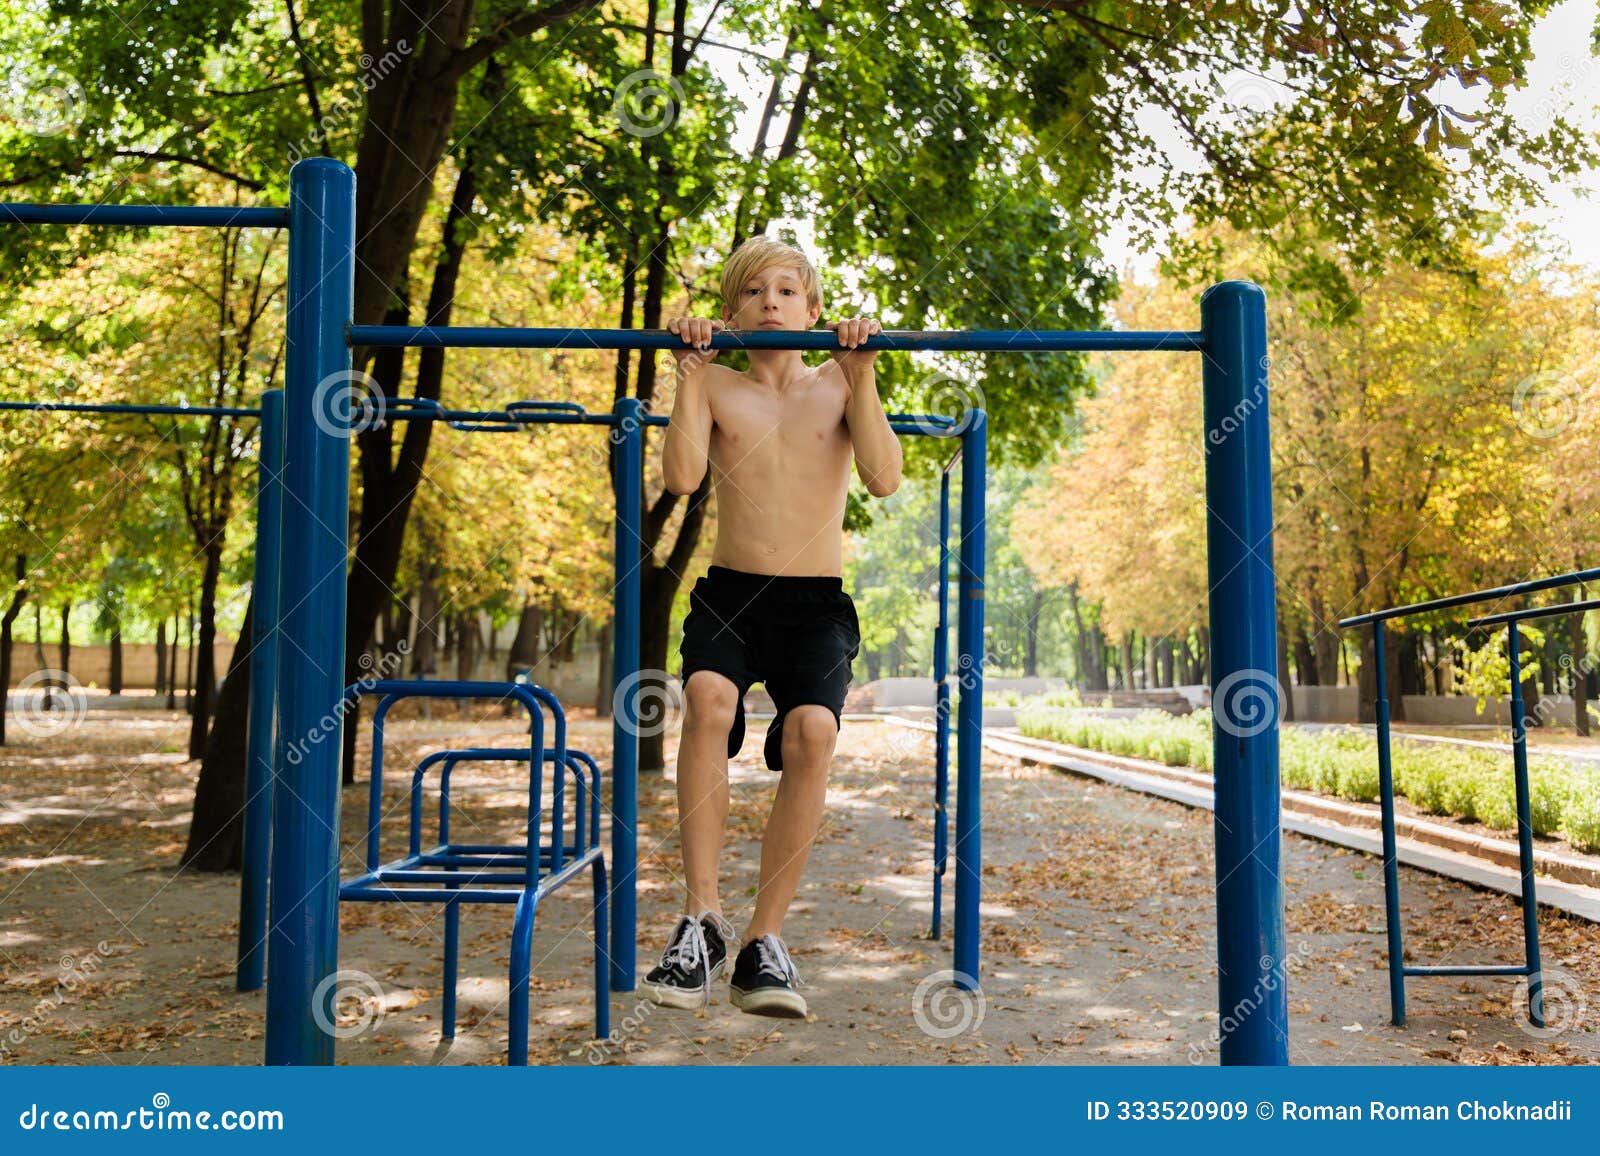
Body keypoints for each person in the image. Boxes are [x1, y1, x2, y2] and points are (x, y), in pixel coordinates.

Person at [641, 237, 903, 1018]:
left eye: (787, 290)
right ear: (731, 311)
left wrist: (864, 375)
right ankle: (701, 920)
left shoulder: (837, 384)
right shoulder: (718, 386)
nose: (771, 303)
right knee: (708, 698)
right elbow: (682, 478)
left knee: (814, 733)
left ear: (814, 310)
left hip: (814, 602)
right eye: (753, 292)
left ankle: (764, 940)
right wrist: (687, 378)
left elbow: (885, 478)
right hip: (732, 595)